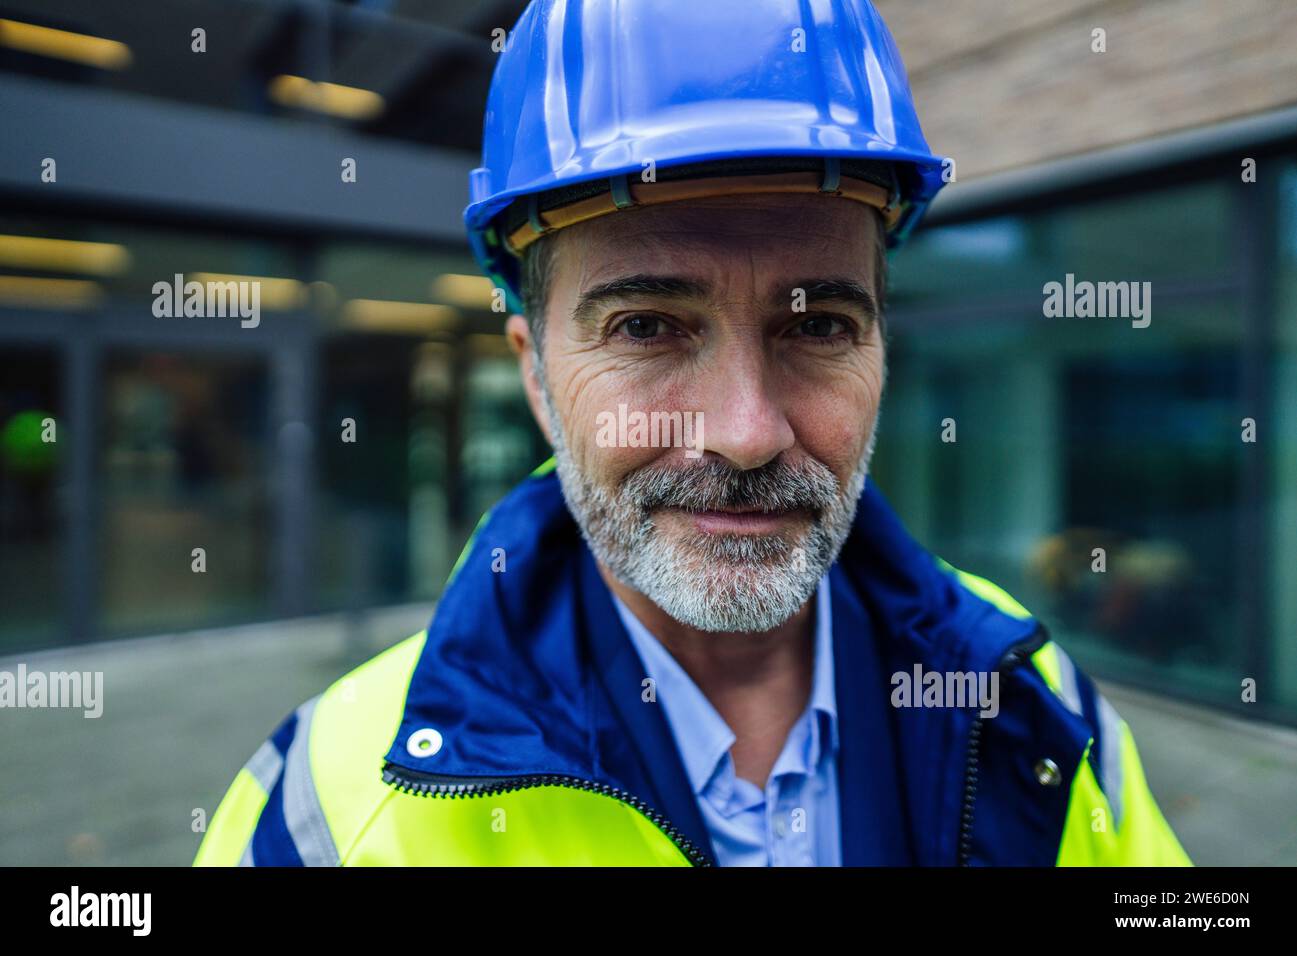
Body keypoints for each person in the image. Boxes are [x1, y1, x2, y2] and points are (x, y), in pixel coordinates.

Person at [195, 0, 1190, 866]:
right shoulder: (328, 820)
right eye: (646, 326)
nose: (747, 435)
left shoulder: (1032, 705)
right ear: (534, 373)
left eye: (815, 326)